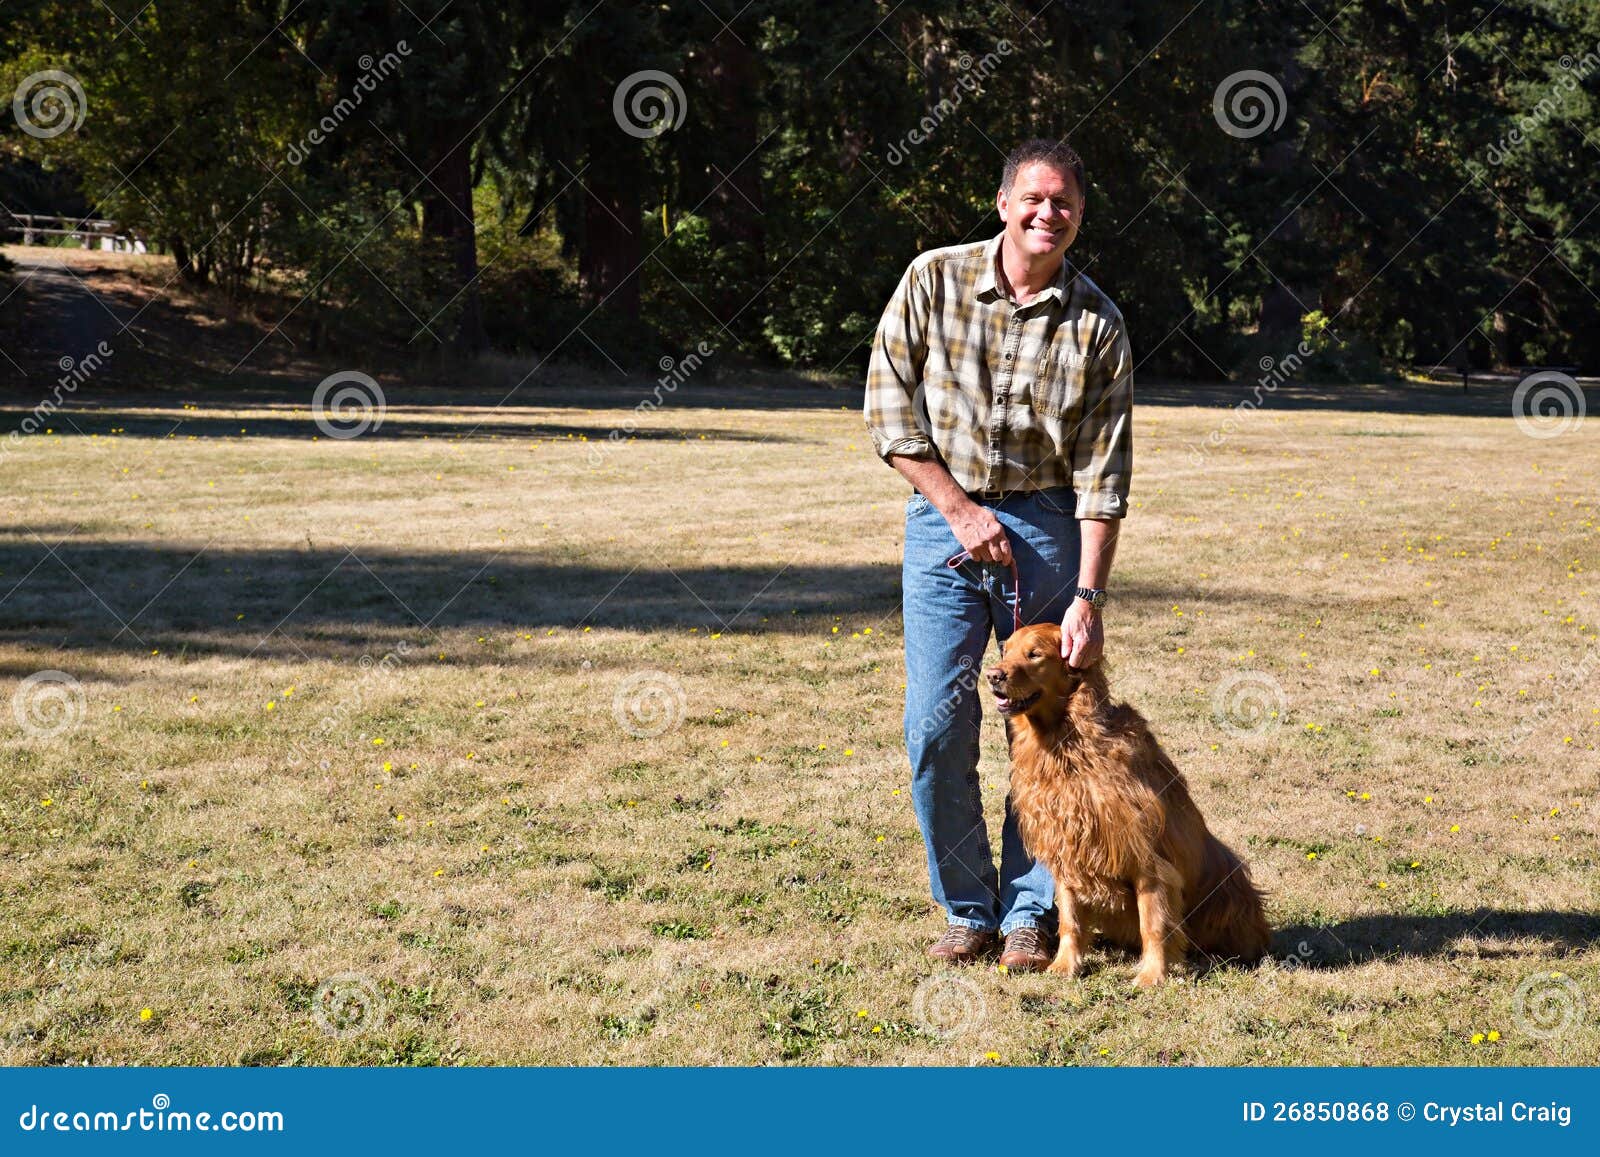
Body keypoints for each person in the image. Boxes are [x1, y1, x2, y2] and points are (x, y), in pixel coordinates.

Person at [862, 138, 1133, 971]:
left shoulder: (1097, 324)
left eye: (1066, 204)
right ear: (1004, 201)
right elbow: (887, 413)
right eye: (1036, 198)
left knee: (1050, 726)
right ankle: (965, 906)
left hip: (1049, 528)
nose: (1048, 213)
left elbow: (1103, 476)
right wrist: (959, 510)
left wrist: (1087, 595)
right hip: (943, 523)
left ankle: (1029, 911)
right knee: (938, 720)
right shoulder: (933, 279)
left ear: (1080, 219)